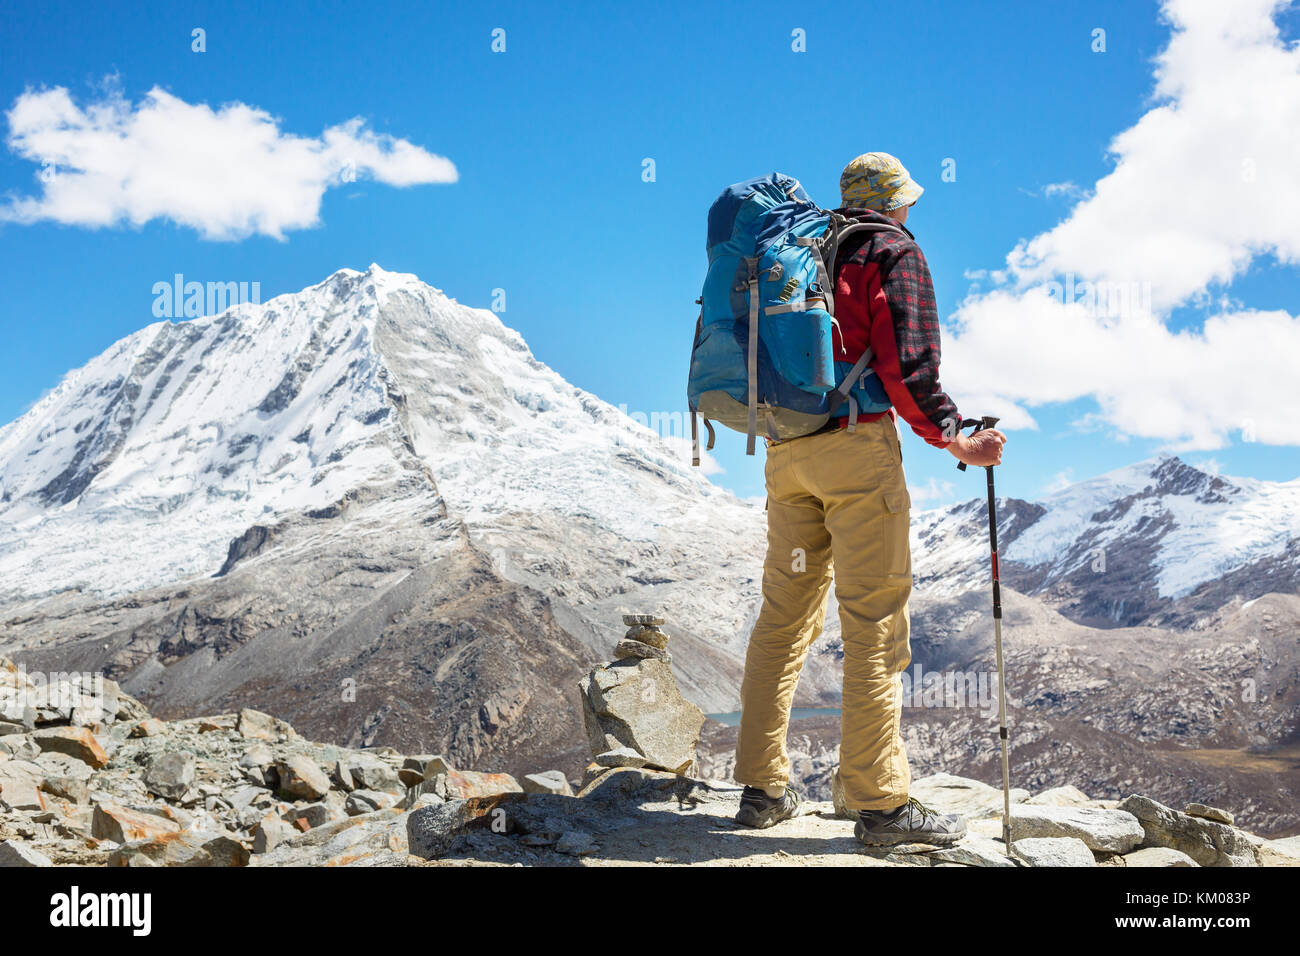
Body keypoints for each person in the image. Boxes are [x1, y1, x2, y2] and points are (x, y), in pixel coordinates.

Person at [732, 152, 1007, 846]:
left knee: (783, 619)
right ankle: (880, 805)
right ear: (895, 202)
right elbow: (907, 362)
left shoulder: (802, 249)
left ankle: (762, 789)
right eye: (908, 200)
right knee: (874, 628)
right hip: (855, 453)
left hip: (787, 453)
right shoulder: (890, 250)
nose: (912, 211)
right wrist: (955, 440)